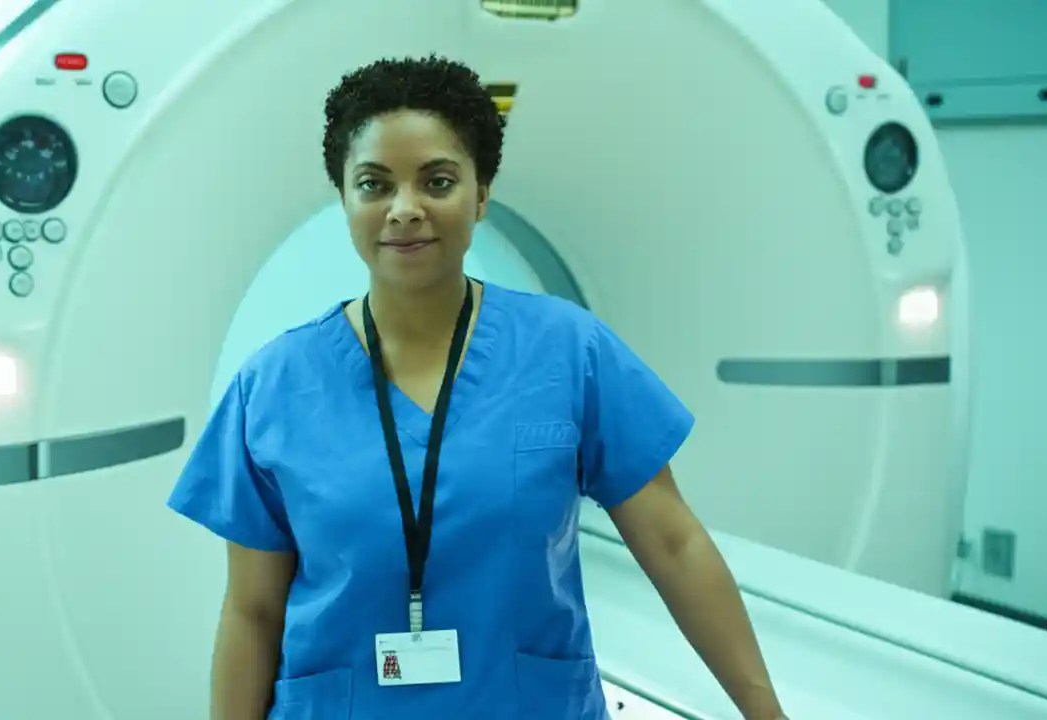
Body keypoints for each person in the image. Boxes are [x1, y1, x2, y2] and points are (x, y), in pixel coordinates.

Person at [167, 54, 787, 720]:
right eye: (374, 185)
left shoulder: (567, 350)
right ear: (344, 200)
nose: (405, 210)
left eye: (437, 181)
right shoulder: (275, 384)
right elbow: (253, 611)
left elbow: (674, 544)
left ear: (481, 194)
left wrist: (765, 713)